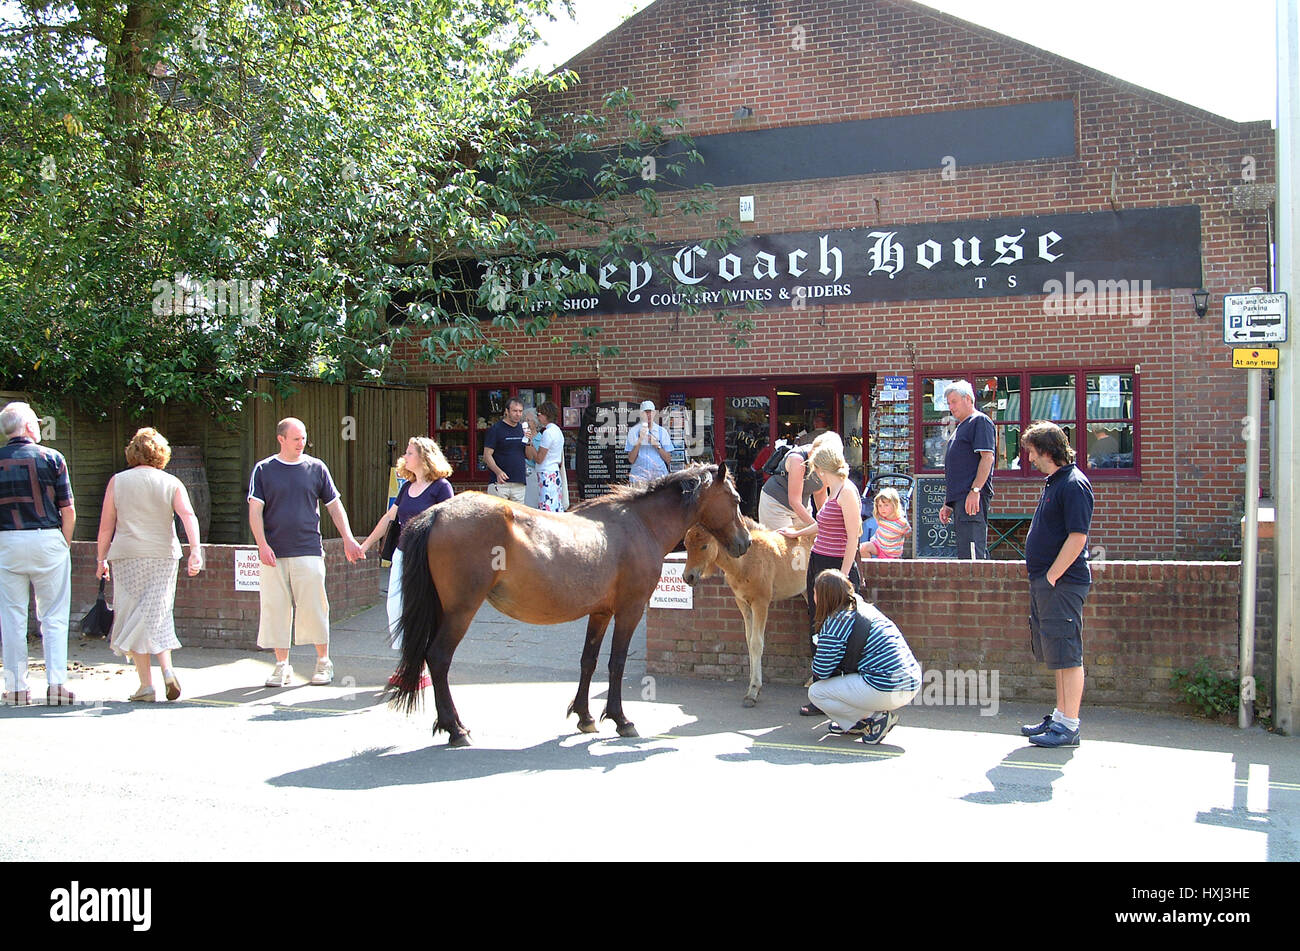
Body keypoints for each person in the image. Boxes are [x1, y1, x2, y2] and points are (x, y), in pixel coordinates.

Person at [248, 417, 364, 688]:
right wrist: (262, 545)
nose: (301, 443)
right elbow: (255, 510)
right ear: (281, 439)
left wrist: (348, 538)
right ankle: (281, 666)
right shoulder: (263, 469)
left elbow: (334, 506)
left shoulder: (316, 468)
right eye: (295, 439)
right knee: (275, 608)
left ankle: (323, 662)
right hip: (274, 553)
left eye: (303, 438)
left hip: (308, 549)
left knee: (315, 607)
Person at [95, 428, 204, 701]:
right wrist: (195, 551)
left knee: (133, 614)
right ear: (162, 453)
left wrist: (100, 559)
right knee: (158, 612)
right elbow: (188, 516)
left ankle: (146, 685)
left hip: (127, 555)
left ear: (133, 452)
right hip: (163, 555)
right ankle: (167, 670)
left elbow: (106, 526)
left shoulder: (118, 481)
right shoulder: (171, 482)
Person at [1019, 420, 1094, 748]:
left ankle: (1069, 725)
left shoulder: (1074, 484)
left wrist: (1052, 576)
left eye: (1032, 452)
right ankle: (1061, 717)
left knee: (1068, 652)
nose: (1030, 458)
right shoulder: (1057, 482)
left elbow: (1078, 537)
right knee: (1057, 654)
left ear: (1047, 450)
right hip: (1050, 583)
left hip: (1062, 584)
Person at [359, 437, 454, 690]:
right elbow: (389, 518)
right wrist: (365, 545)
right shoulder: (406, 487)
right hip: (402, 554)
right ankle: (408, 662)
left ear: (424, 458)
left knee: (420, 610)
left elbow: (449, 525)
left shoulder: (441, 488)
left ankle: (418, 668)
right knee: (396, 607)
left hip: (427, 558)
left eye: (410, 453)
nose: (405, 456)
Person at [0, 402, 76, 706]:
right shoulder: (52, 457)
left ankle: (16, 688)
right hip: (47, 539)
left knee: (12, 617)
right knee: (54, 615)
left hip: (7, 541)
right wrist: (63, 543)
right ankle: (57, 685)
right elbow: (67, 509)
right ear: (30, 427)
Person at [780, 442, 862, 716]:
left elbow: (853, 537)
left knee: (836, 631)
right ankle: (822, 692)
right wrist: (797, 533)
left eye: (816, 471)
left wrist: (844, 575)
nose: (816, 476)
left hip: (835, 566)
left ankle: (838, 695)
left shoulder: (846, 491)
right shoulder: (834, 490)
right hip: (820, 562)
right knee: (819, 627)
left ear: (824, 469)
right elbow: (825, 523)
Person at [807, 569, 921, 744]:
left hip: (887, 686)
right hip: (911, 680)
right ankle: (858, 723)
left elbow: (821, 671)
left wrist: (822, 646)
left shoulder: (836, 622)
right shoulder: (863, 607)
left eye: (815, 593)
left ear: (823, 597)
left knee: (817, 692)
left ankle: (871, 721)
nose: (813, 597)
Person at [937, 380, 995, 559]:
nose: (951, 407)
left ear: (968, 399)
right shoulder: (961, 426)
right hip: (960, 500)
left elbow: (987, 457)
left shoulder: (979, 421)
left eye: (954, 401)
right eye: (949, 403)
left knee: (972, 555)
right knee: (965, 552)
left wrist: (975, 490)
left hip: (972, 500)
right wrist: (949, 502)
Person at [756, 431, 842, 531]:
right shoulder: (797, 460)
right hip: (776, 505)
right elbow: (794, 501)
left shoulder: (829, 463)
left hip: (802, 506)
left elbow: (820, 492)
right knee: (784, 540)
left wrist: (826, 522)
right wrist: (819, 527)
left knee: (808, 539)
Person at [483, 398, 529, 503]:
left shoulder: (523, 429)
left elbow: (530, 456)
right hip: (500, 483)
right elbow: (487, 455)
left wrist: (529, 441)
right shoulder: (496, 429)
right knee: (498, 513)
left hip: (519, 482)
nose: (518, 414)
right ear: (507, 411)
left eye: (520, 411)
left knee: (518, 513)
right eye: (514, 411)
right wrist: (498, 472)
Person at [526, 401, 568, 512]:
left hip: (546, 474)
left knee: (547, 507)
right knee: (555, 505)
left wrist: (530, 443)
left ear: (546, 415)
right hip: (554, 472)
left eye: (539, 414)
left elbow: (539, 459)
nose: (538, 417)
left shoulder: (548, 433)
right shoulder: (557, 431)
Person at [625, 400, 675, 485]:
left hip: (659, 478)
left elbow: (668, 459)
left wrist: (657, 445)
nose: (648, 415)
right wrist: (639, 440)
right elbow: (631, 459)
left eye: (650, 412)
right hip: (639, 478)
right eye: (645, 412)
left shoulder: (662, 431)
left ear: (654, 413)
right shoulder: (633, 432)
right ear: (641, 414)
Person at [859, 487, 910, 560]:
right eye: (880, 506)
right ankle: (868, 565)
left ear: (894, 505)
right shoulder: (881, 518)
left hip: (892, 552)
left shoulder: (901, 522)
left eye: (886, 505)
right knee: (863, 548)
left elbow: (908, 533)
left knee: (887, 565)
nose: (882, 509)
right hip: (878, 545)